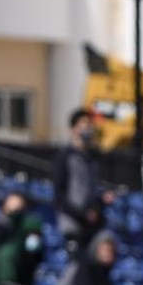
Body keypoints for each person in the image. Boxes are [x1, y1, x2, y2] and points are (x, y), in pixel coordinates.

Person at [53, 109, 108, 254]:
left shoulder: (93, 157)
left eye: (90, 124)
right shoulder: (65, 156)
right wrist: (81, 214)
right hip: (72, 222)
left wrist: (97, 207)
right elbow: (59, 193)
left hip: (92, 223)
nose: (88, 128)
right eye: (84, 124)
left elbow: (96, 188)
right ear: (73, 129)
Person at [49, 232, 143, 285]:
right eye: (104, 250)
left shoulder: (104, 272)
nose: (107, 254)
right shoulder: (84, 266)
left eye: (111, 251)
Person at [0, 191, 46, 285]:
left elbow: (34, 252)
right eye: (14, 206)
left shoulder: (25, 228)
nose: (17, 210)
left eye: (20, 207)